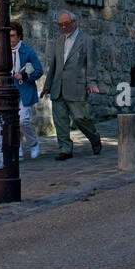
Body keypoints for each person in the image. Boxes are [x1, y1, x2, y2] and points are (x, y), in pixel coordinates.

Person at [40, 10, 102, 160]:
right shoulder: (59, 42)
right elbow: (53, 66)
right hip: (58, 87)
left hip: (77, 87)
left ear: (74, 22)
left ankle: (94, 138)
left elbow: (91, 64)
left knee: (81, 118)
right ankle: (65, 149)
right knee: (60, 120)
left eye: (66, 24)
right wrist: (47, 85)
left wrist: (91, 82)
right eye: (60, 25)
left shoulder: (87, 40)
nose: (63, 27)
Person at [9, 21, 43, 160]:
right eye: (8, 35)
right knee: (11, 121)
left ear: (19, 36)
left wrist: (24, 76)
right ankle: (18, 149)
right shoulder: (3, 51)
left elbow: (39, 70)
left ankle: (33, 143)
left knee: (23, 120)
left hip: (25, 90)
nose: (10, 38)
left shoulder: (28, 52)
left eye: (12, 36)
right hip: (9, 90)